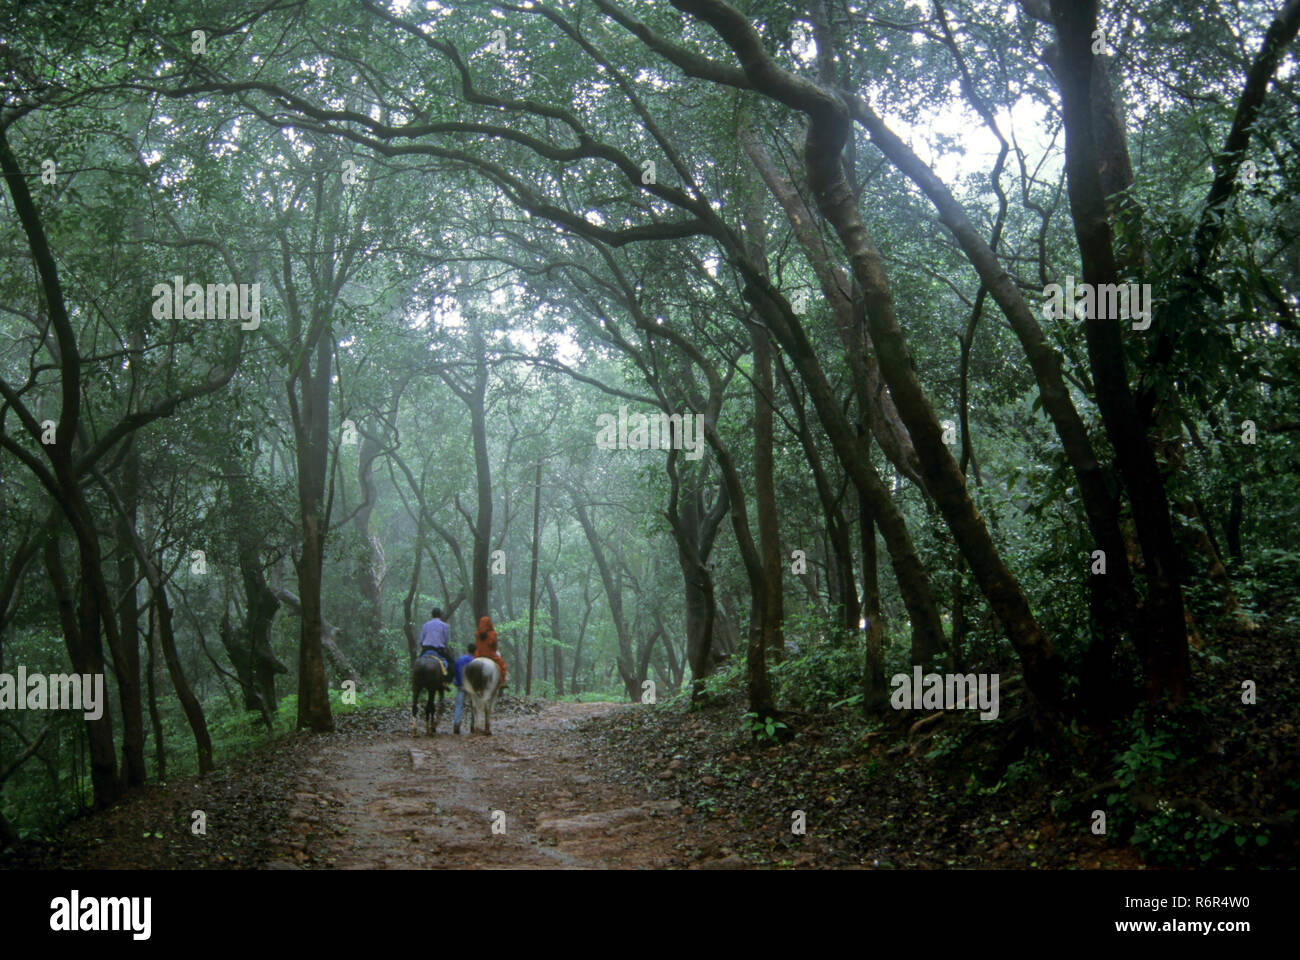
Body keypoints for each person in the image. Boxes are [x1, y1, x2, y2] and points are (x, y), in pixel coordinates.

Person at [418, 607, 454, 679]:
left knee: (417, 663)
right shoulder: (444, 625)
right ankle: (446, 681)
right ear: (440, 615)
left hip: (426, 649)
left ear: (432, 615)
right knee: (452, 662)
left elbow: (421, 641)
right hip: (439, 650)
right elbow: (446, 641)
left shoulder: (425, 625)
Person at [474, 615, 508, 691]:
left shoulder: (477, 634)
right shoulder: (493, 634)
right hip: (489, 654)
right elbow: (495, 647)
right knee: (502, 664)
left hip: (478, 655)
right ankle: (502, 682)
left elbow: (477, 644)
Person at [451, 643, 476, 734]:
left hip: (461, 685)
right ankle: (473, 726)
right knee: (473, 706)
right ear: (475, 651)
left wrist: (458, 682)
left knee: (459, 705)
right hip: (472, 687)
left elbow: (454, 672)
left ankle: (456, 724)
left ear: (467, 650)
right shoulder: (475, 660)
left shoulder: (459, 659)